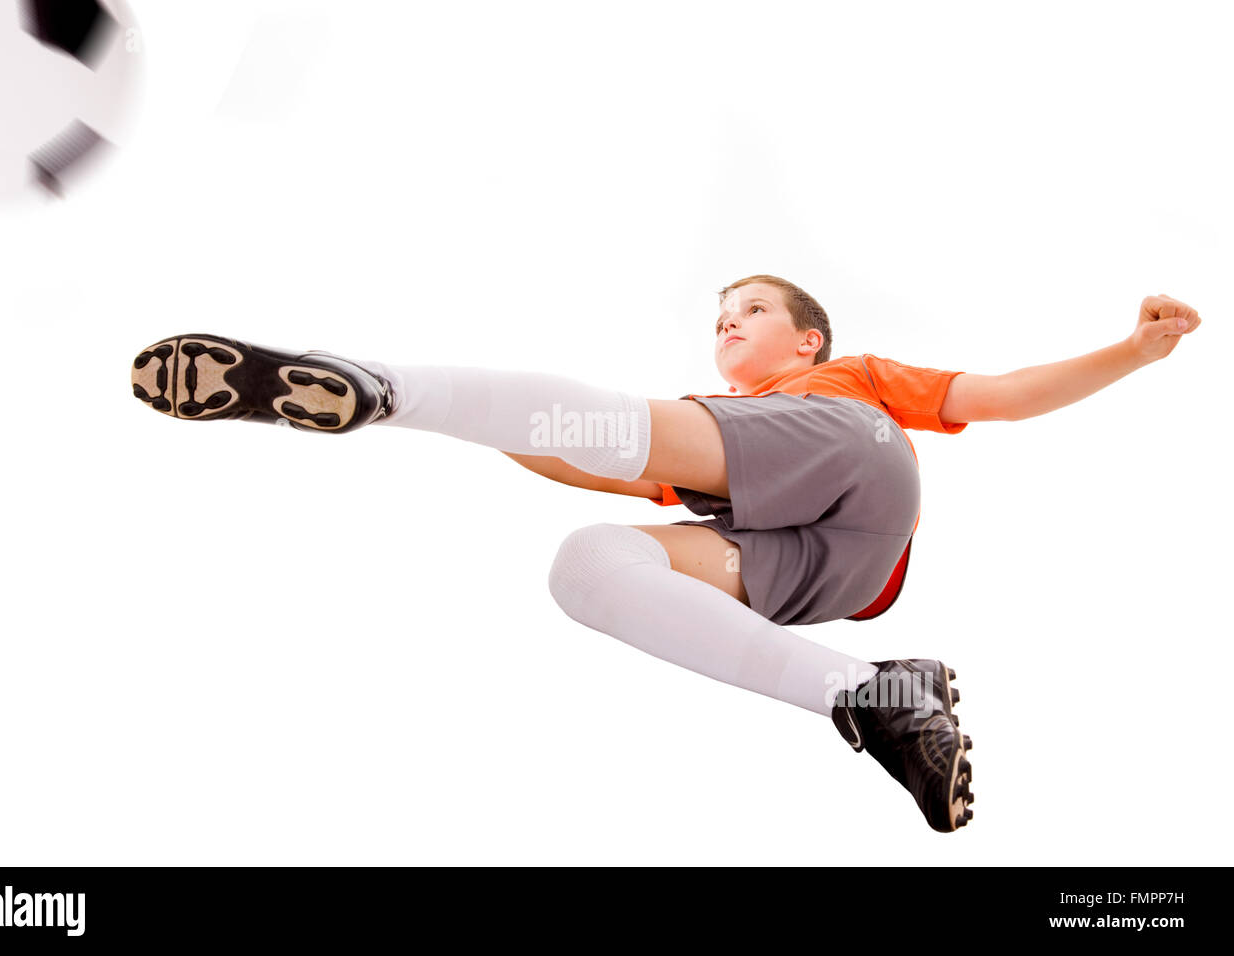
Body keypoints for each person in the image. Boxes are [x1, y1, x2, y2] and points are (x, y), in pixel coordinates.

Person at [129, 275, 1201, 832]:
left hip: (868, 482)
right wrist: (499, 427)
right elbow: (584, 457)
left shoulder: (846, 380)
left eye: (749, 313)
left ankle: (379, 384)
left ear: (807, 342)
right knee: (588, 558)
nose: (727, 327)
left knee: (641, 424)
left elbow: (999, 396)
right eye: (719, 316)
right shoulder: (715, 448)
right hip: (816, 578)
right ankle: (875, 697)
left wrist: (1133, 350)